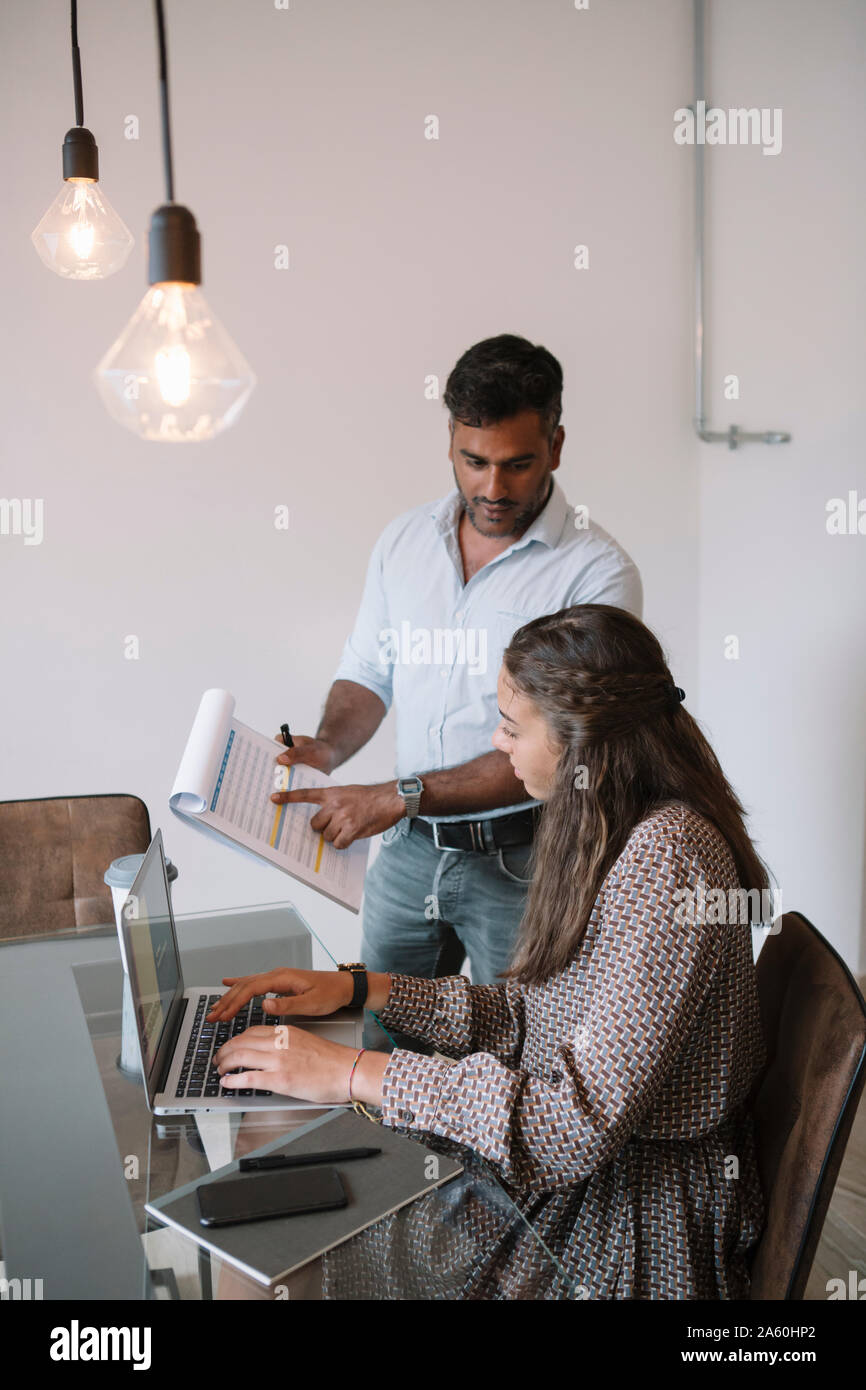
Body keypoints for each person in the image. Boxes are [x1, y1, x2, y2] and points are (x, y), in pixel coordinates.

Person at [208, 604, 769, 1299]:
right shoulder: (603, 824)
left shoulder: (668, 859)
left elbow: (572, 1127)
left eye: (510, 727)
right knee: (271, 1142)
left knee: (275, 1226)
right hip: (580, 1178)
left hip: (617, 1217)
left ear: (582, 741)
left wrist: (355, 1072)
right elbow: (528, 1015)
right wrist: (360, 989)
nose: (498, 746)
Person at [269, 335, 642, 1014]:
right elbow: (368, 671)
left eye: (518, 464)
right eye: (474, 461)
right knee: (384, 1040)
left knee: (519, 1049)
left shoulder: (597, 574)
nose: (493, 487)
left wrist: (400, 793)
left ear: (556, 447)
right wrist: (327, 747)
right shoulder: (403, 542)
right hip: (406, 855)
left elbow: (561, 748)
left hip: (528, 860)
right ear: (450, 441)